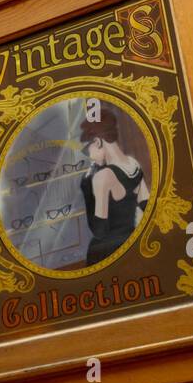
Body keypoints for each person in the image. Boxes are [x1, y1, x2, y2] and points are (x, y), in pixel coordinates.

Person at [78, 108, 150, 266]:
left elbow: (99, 231)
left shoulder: (102, 176)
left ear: (97, 142)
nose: (89, 156)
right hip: (132, 245)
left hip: (106, 252)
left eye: (86, 150)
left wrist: (86, 188)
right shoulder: (133, 164)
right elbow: (147, 206)